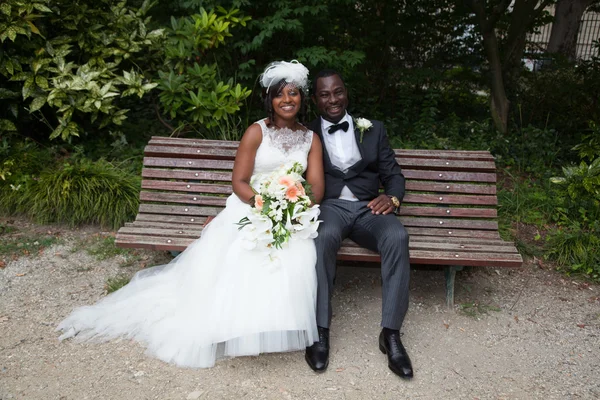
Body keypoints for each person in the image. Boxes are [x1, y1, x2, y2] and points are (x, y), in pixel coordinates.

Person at [57, 60, 325, 368]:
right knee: (242, 252)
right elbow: (239, 182)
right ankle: (235, 325)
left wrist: (291, 208)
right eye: (280, 95)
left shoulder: (310, 139)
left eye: (293, 94)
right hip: (252, 206)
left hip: (291, 213)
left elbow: (316, 186)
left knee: (300, 254)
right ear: (270, 99)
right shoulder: (256, 133)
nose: (287, 100)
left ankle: (277, 323)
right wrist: (265, 205)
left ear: (301, 98)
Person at [305, 69, 413, 379]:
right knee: (321, 237)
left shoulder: (374, 130)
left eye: (337, 92)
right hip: (330, 208)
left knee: (397, 236)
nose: (333, 99)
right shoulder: (306, 133)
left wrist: (392, 199)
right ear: (315, 100)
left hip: (369, 209)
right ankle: (320, 331)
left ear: (346, 93)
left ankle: (391, 334)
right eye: (324, 94)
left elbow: (393, 174)